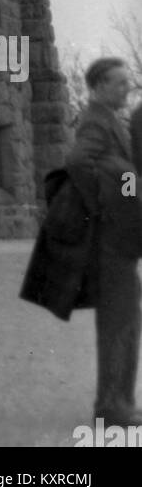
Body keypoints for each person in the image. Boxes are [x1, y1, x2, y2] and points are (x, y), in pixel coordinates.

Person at [66, 58, 142, 426]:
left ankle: (120, 400)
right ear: (97, 87)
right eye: (118, 82)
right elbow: (80, 162)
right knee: (118, 323)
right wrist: (103, 206)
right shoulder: (96, 120)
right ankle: (111, 406)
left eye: (127, 82)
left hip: (117, 242)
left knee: (127, 320)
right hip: (110, 242)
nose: (126, 87)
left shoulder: (110, 119)